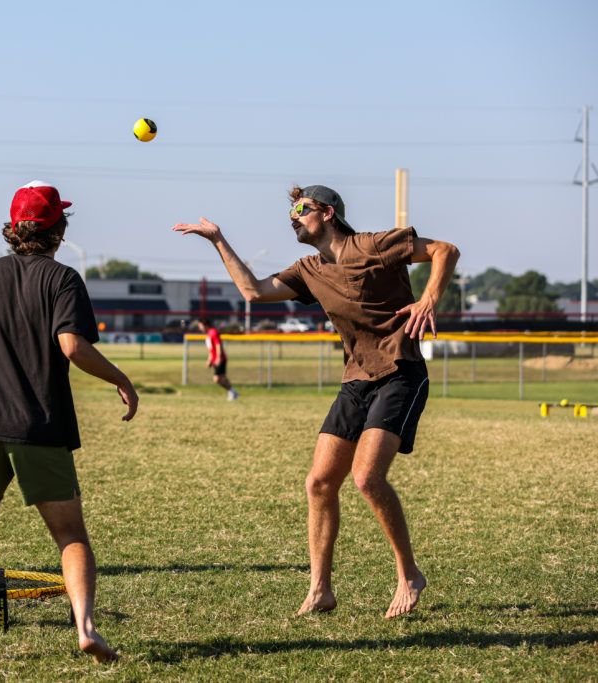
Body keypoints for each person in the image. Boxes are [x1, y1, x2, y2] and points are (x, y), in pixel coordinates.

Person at [173, 184, 459, 619]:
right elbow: (253, 291)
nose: (292, 216)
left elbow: (445, 249)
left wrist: (429, 298)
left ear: (327, 213)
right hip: (356, 379)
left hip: (400, 372)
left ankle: (408, 575)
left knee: (366, 478)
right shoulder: (309, 268)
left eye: (300, 209)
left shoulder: (374, 245)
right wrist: (218, 239)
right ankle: (321, 590)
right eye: (290, 209)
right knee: (320, 483)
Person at [0, 180, 138, 663]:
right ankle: (87, 628)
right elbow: (72, 346)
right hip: (40, 426)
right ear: (58, 230)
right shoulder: (63, 279)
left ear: (13, 229)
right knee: (70, 535)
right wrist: (121, 377)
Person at [197, 317, 239, 401]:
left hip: (220, 359)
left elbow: (218, 345)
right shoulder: (209, 334)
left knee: (216, 379)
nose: (199, 328)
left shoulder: (213, 332)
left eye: (200, 326)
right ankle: (232, 392)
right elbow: (211, 349)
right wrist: (209, 360)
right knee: (222, 377)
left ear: (205, 325)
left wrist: (218, 358)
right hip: (215, 359)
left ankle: (232, 392)